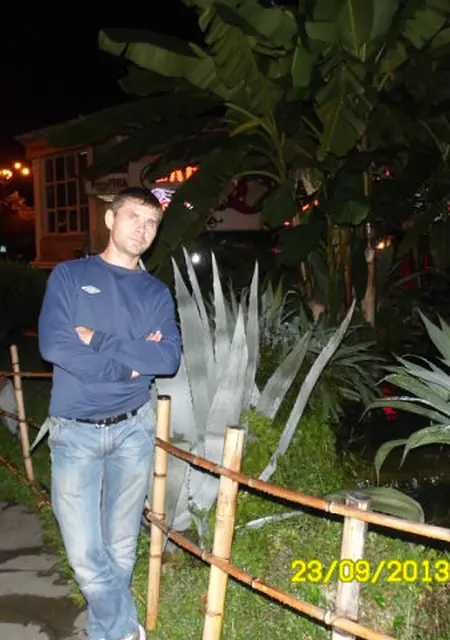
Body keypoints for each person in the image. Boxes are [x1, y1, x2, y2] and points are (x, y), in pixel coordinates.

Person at [38, 187, 181, 640]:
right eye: (134, 217)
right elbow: (55, 345)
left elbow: (168, 359)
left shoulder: (155, 293)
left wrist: (97, 339)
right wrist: (129, 366)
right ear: (109, 219)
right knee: (84, 553)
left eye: (152, 223)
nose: (143, 229)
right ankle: (123, 630)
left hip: (133, 430)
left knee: (120, 546)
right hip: (74, 431)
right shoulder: (69, 276)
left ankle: (108, 635)